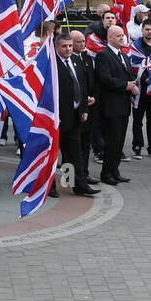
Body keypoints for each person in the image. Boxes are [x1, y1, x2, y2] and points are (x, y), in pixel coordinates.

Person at [53, 33, 98, 197]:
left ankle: (77, 184)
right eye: (64, 46)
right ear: (57, 47)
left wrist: (84, 109)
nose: (68, 49)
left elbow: (82, 86)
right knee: (53, 154)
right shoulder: (51, 64)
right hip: (57, 117)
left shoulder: (76, 60)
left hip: (75, 115)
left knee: (74, 152)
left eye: (70, 46)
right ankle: (50, 187)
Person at [94, 24, 137, 186]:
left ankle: (115, 170)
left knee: (119, 141)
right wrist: (125, 85)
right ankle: (106, 173)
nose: (122, 38)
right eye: (118, 35)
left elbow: (129, 74)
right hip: (111, 106)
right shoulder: (103, 56)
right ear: (110, 37)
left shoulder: (123, 55)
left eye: (122, 35)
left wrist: (134, 85)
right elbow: (104, 78)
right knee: (112, 140)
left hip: (124, 105)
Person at [129, 20, 151, 159]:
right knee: (137, 119)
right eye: (147, 29)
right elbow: (132, 65)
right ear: (142, 30)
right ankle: (137, 145)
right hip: (139, 89)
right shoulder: (135, 47)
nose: (149, 32)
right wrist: (144, 78)